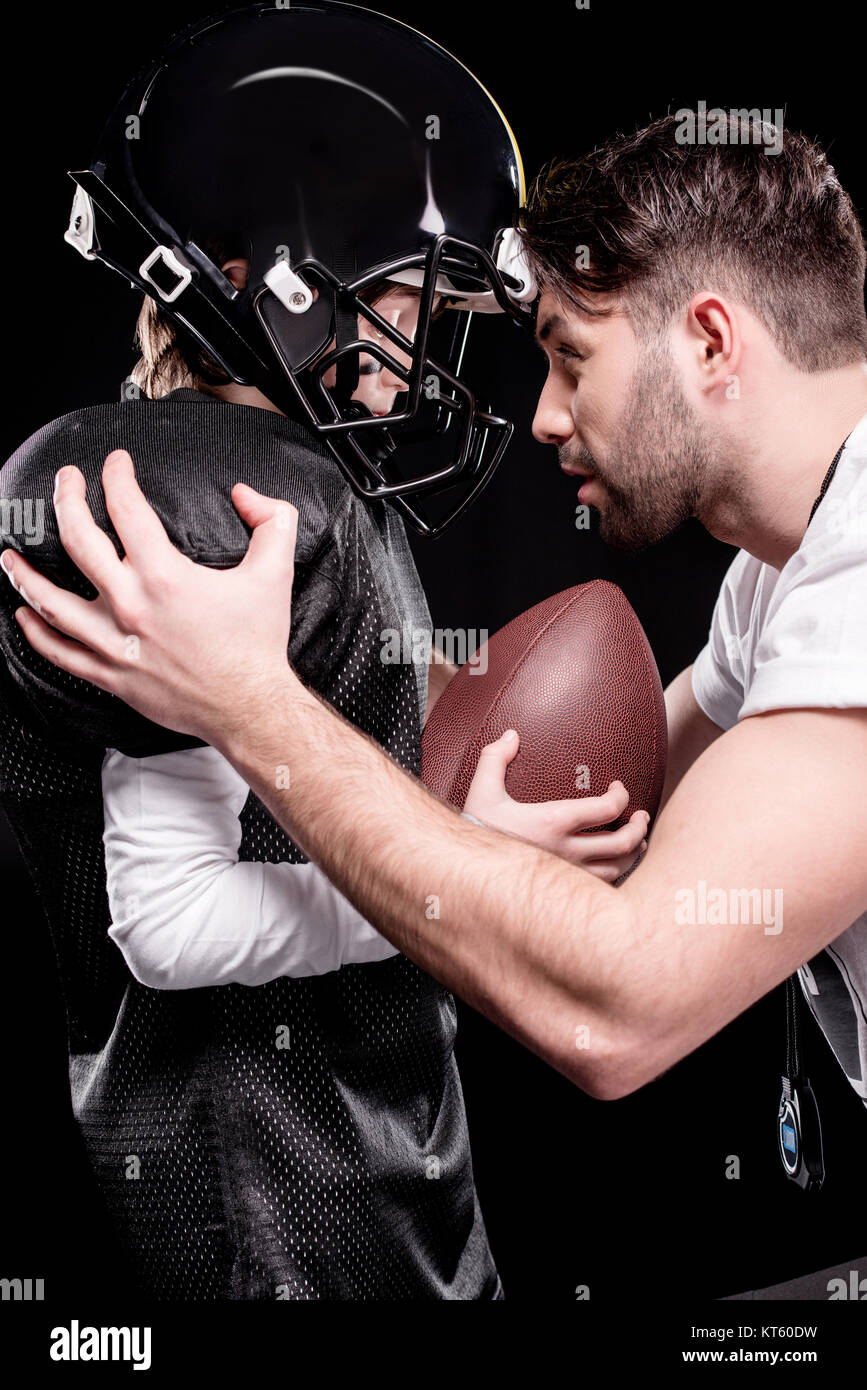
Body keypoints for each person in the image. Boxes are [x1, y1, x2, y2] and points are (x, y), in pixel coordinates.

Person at [8, 109, 867, 1297]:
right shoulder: (783, 573)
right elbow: (618, 800)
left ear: (712, 341)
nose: (546, 415)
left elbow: (618, 1007)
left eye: (572, 356)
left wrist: (248, 701)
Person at [0, 2, 646, 1301]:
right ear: (279, 271)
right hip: (274, 1236)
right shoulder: (190, 495)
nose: (423, 343)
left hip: (376, 1183)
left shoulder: (298, 484)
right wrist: (466, 872)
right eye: (408, 295)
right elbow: (172, 925)